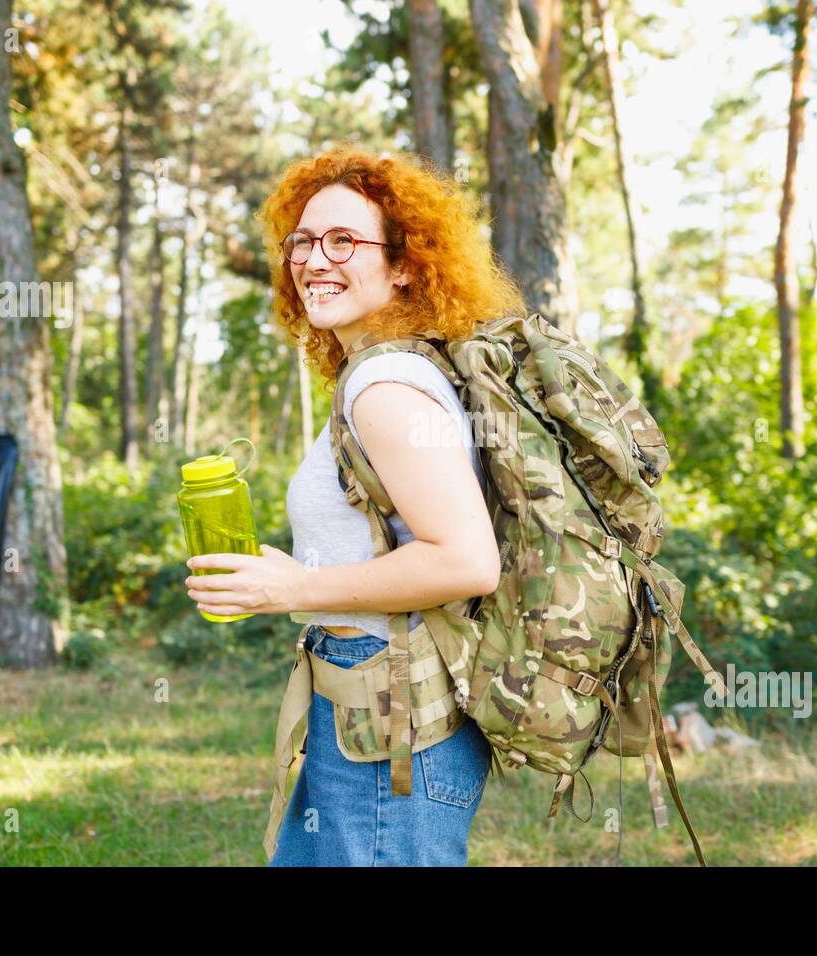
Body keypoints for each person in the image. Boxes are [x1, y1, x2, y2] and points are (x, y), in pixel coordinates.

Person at [183, 143, 527, 865]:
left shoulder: (387, 388)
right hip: (363, 708)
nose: (314, 259)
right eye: (303, 241)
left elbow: (467, 561)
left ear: (405, 264)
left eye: (346, 241)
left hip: (392, 725)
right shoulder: (377, 373)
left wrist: (297, 589)